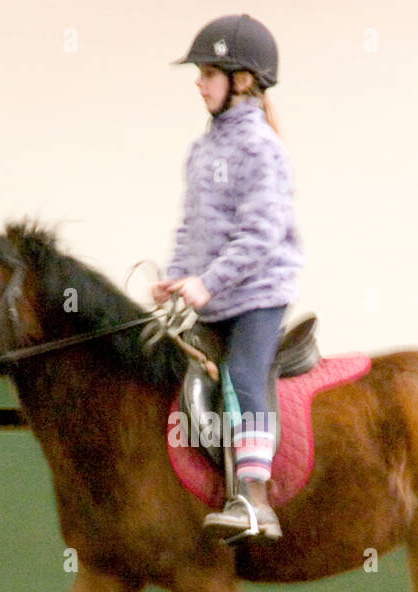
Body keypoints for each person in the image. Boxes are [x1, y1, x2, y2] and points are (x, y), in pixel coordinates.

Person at [151, 13, 303, 542]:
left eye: (207, 73)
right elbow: (191, 225)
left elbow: (261, 234)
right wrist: (175, 278)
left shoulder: (263, 147)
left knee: (241, 371)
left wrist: (208, 282)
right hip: (213, 294)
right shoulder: (203, 147)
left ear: (242, 80)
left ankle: (256, 501)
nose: (198, 83)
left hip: (259, 292)